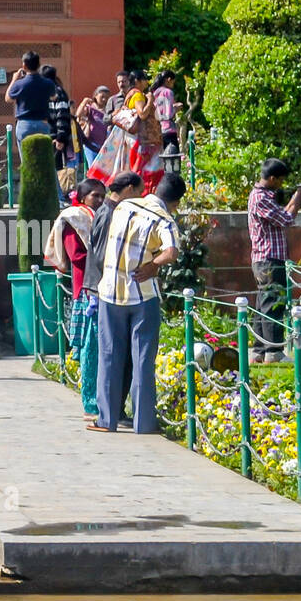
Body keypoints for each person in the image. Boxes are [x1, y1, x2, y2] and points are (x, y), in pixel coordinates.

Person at [93, 170, 186, 434]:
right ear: (176, 202)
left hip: (110, 292)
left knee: (109, 355)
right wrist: (154, 265)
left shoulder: (124, 206)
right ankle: (144, 423)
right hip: (143, 295)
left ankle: (106, 420)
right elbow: (171, 251)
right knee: (143, 359)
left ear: (156, 189)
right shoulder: (166, 221)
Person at [45, 178, 105, 421]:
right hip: (86, 290)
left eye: (102, 195)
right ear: (82, 197)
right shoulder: (74, 219)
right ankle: (90, 404)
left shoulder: (97, 217)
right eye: (94, 196)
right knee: (90, 351)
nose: (100, 200)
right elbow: (76, 255)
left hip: (103, 288)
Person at [86, 170, 142, 426]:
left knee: (115, 352)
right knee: (113, 352)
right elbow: (100, 255)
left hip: (107, 288)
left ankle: (114, 410)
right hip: (108, 291)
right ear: (129, 189)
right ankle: (112, 411)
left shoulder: (109, 211)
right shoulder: (110, 213)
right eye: (138, 192)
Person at [247, 159, 301, 364]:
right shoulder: (260, 198)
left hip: (264, 259)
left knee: (263, 303)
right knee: (273, 304)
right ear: (272, 178)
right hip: (268, 259)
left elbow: (282, 214)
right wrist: (299, 199)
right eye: (281, 180)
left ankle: (259, 351)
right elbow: (287, 220)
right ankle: (274, 352)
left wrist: (294, 198)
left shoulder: (263, 196)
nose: (282, 184)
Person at [125, 69, 164, 194]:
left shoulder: (129, 94)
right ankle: (142, 193)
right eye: (144, 79)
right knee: (144, 170)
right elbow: (142, 114)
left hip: (134, 137)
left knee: (138, 168)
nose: (147, 82)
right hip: (141, 139)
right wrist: (151, 100)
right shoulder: (137, 95)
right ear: (137, 81)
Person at [6, 51, 56, 143]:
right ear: (39, 65)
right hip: (42, 123)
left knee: (26, 156)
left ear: (24, 66)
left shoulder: (19, 84)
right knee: (42, 155)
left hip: (25, 124)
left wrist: (14, 80)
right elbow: (54, 97)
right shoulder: (48, 83)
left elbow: (8, 98)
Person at [41, 65, 75, 169]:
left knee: (53, 171)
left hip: (54, 139)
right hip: (45, 136)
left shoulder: (58, 93)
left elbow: (62, 115)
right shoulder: (45, 92)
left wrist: (60, 138)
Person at [75, 86, 112, 170]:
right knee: (93, 169)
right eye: (102, 97)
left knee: (103, 170)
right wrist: (84, 102)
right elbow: (78, 114)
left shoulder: (108, 110)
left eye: (106, 97)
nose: (104, 99)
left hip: (104, 146)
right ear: (95, 96)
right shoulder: (90, 108)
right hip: (91, 145)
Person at [153, 70, 179, 156]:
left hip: (157, 129)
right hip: (169, 129)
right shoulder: (168, 92)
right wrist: (176, 108)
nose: (173, 85)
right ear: (168, 79)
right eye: (173, 82)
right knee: (172, 159)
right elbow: (169, 113)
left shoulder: (155, 93)